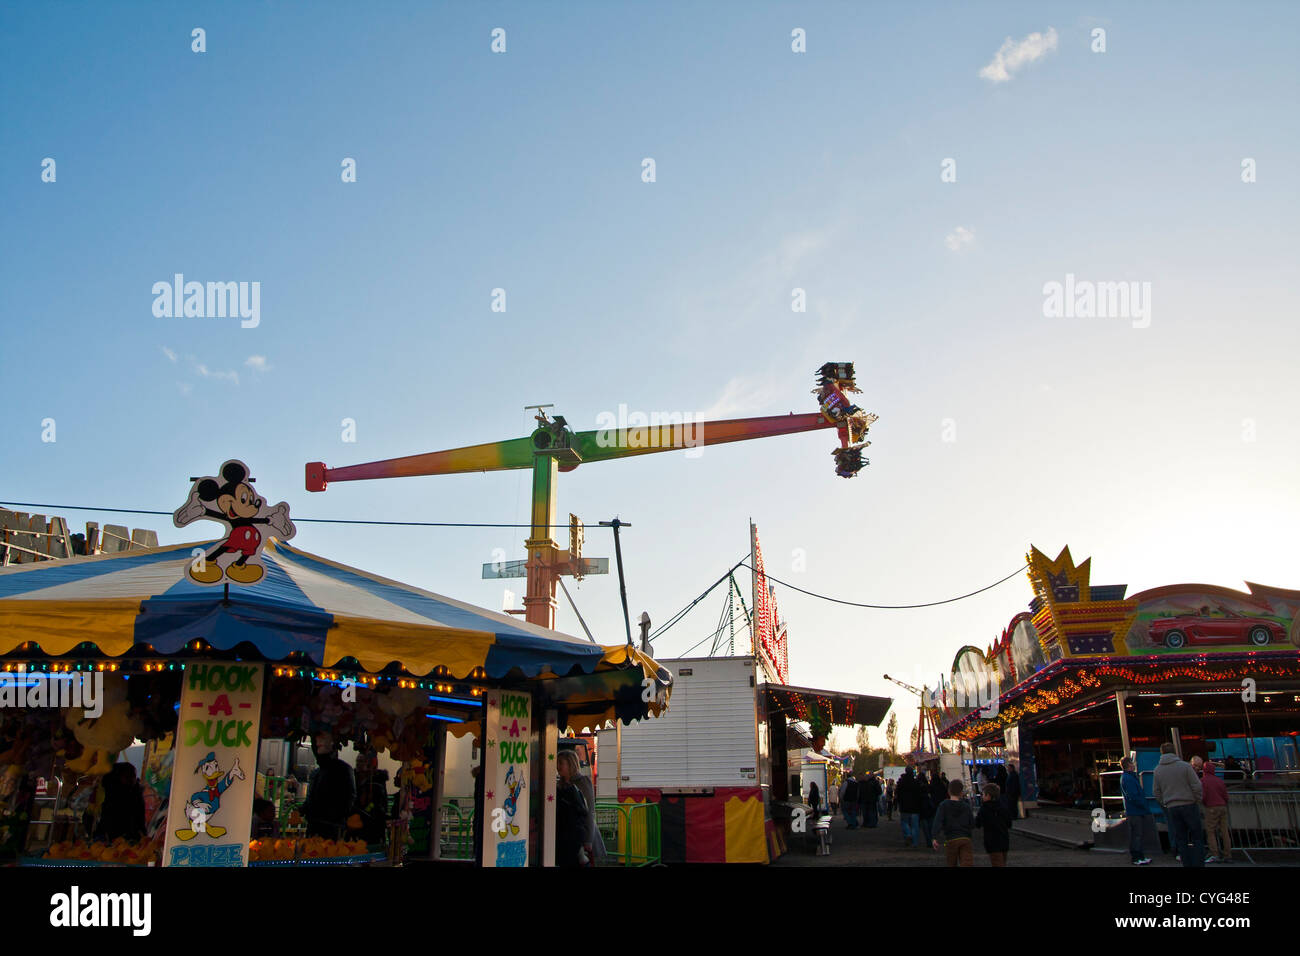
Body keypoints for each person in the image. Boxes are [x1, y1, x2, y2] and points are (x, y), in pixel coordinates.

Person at [1153, 742, 1205, 868]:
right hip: (1189, 804)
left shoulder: (1158, 770)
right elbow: (1197, 785)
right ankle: (1198, 863)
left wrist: (1165, 803)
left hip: (1172, 807)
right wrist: (1197, 800)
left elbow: (1156, 792)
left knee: (1181, 839)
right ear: (1174, 751)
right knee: (1197, 837)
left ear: (1162, 753)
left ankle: (1186, 863)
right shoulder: (1185, 767)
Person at [304, 730, 357, 840]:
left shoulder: (343, 769)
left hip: (333, 828)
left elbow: (349, 799)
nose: (318, 745)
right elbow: (311, 797)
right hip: (316, 827)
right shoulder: (316, 773)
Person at [555, 750, 591, 867]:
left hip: (579, 834)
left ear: (570, 764)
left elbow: (590, 810)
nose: (558, 766)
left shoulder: (582, 781)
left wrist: (588, 840)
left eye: (561, 763)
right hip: (565, 834)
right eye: (557, 763)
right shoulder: (558, 784)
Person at [95, 762, 146, 842]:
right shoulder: (111, 792)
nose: (132, 779)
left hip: (127, 837)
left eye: (132, 776)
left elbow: (139, 819)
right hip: (113, 836)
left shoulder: (135, 793)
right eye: (128, 776)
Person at [932, 779, 975, 866]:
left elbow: (938, 821)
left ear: (948, 791)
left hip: (951, 838)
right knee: (967, 863)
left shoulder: (944, 805)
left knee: (951, 862)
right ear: (961, 792)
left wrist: (934, 837)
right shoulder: (966, 806)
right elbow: (972, 823)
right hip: (965, 838)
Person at [350, 750, 389, 846]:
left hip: (372, 827)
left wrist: (364, 812)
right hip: (353, 826)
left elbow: (376, 803)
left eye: (362, 761)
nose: (358, 764)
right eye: (357, 761)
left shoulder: (377, 783)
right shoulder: (352, 779)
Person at [1120, 757, 1152, 865]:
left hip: (1134, 810)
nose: (1134, 765)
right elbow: (1133, 796)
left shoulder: (1126, 777)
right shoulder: (1129, 778)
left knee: (1137, 834)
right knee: (1137, 835)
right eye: (1132, 763)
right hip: (1136, 810)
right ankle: (1137, 857)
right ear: (1129, 765)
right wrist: (1143, 805)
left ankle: (1139, 856)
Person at [1201, 760, 1232, 863]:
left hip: (1211, 807)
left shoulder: (1203, 781)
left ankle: (1214, 854)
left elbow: (1203, 796)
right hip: (1222, 806)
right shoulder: (1219, 781)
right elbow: (1225, 795)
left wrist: (1204, 803)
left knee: (1210, 831)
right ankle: (1228, 854)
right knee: (1224, 831)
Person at [976, 783, 1012, 866]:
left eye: (983, 795)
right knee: (1002, 862)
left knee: (997, 862)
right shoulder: (1003, 807)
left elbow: (978, 823)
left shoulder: (984, 809)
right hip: (1004, 839)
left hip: (992, 841)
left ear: (988, 795)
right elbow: (1009, 823)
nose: (982, 797)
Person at [895, 767, 921, 846]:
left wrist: (898, 802)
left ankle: (908, 834)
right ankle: (915, 842)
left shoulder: (901, 782)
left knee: (904, 822)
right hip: (915, 807)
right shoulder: (916, 782)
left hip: (904, 806)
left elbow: (898, 794)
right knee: (915, 826)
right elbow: (919, 794)